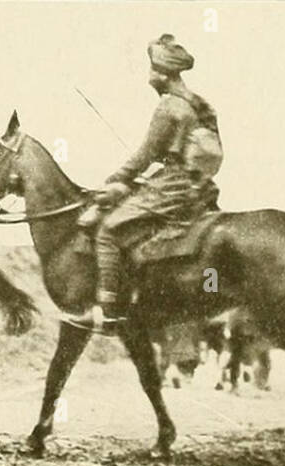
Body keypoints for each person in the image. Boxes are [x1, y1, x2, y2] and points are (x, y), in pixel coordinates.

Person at [65, 35, 223, 332]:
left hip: (173, 186)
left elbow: (145, 155)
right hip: (196, 184)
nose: (149, 76)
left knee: (109, 231)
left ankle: (109, 310)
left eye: (152, 69)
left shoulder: (168, 107)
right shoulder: (199, 105)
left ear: (163, 73)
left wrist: (116, 179)